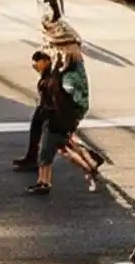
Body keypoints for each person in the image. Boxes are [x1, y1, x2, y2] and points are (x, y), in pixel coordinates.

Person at [26, 49, 99, 195]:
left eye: (38, 63)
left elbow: (60, 95)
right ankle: (89, 166)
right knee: (63, 149)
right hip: (54, 119)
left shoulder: (56, 78)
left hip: (55, 120)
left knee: (46, 152)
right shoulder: (51, 75)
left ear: (47, 61)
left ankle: (44, 182)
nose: (36, 66)